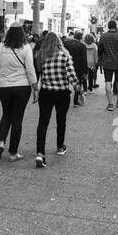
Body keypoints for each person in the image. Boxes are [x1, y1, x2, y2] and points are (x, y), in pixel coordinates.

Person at [0, 20, 36, 162]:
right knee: (17, 118)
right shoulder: (26, 48)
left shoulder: (0, 47)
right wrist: (35, 88)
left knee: (6, 115)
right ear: (22, 33)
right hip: (22, 87)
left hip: (4, 87)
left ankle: (1, 143)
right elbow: (30, 69)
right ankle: (13, 153)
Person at [34, 31, 79, 167]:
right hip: (62, 93)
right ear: (59, 42)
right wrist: (78, 87)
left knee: (43, 122)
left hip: (46, 92)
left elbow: (39, 71)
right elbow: (71, 74)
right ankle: (60, 146)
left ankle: (40, 153)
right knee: (61, 120)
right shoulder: (64, 55)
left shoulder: (41, 55)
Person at [97, 20, 118, 110]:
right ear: (115, 27)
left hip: (107, 63)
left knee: (108, 82)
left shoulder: (103, 36)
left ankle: (110, 104)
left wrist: (100, 60)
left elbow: (99, 49)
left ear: (108, 27)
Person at [63, 30, 88, 106]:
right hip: (78, 67)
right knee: (78, 83)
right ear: (81, 37)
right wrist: (85, 71)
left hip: (66, 66)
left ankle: (64, 99)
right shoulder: (82, 46)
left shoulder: (66, 43)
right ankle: (75, 101)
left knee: (65, 83)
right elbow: (84, 59)